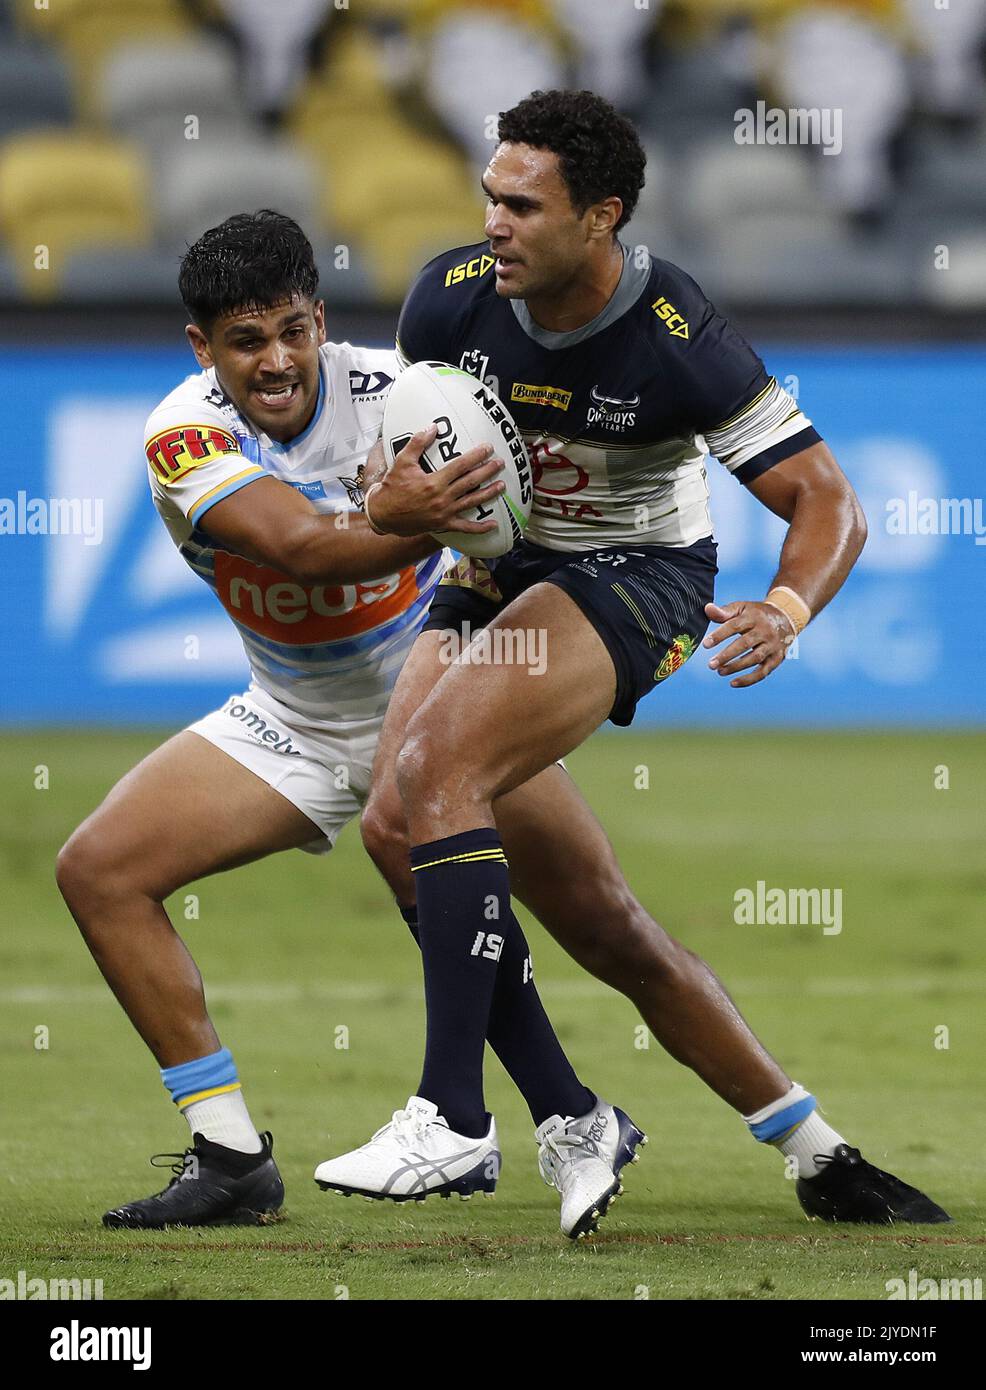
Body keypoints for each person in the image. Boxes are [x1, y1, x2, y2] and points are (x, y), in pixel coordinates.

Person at [314, 90, 950, 1232]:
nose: (492, 224)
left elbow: (826, 499)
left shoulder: (675, 334)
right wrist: (387, 499)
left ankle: (451, 1115)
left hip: (636, 579)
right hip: (496, 574)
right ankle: (783, 1144)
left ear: (599, 217)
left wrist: (790, 605)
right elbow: (393, 478)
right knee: (455, 850)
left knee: (438, 767)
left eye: (522, 204)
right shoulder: (447, 301)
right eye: (488, 197)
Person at [57, 210, 647, 1235]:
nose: (277, 360)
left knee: (599, 920)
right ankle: (232, 1155)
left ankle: (615, 1117)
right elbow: (300, 552)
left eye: (293, 330)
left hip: (436, 702)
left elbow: (516, 513)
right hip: (289, 717)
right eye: (246, 341)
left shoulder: (405, 391)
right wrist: (400, 513)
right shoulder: (181, 434)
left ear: (320, 320)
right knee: (98, 870)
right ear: (203, 349)